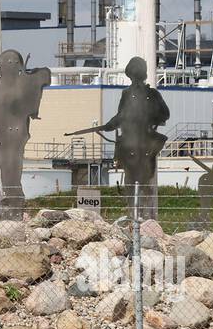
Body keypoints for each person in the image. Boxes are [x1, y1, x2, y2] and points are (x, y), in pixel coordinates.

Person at [67, 56, 169, 218]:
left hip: (135, 143)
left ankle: (137, 215)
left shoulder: (130, 94)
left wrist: (108, 126)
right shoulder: (149, 93)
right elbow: (162, 114)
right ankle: (139, 216)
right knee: (140, 181)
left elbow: (120, 117)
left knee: (135, 181)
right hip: (142, 143)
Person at [0, 49, 52, 221]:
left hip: (16, 135)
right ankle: (11, 206)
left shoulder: (23, 83)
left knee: (13, 172)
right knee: (5, 171)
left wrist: (26, 74)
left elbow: (45, 75)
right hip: (4, 137)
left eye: (3, 68)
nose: (0, 71)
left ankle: (15, 208)